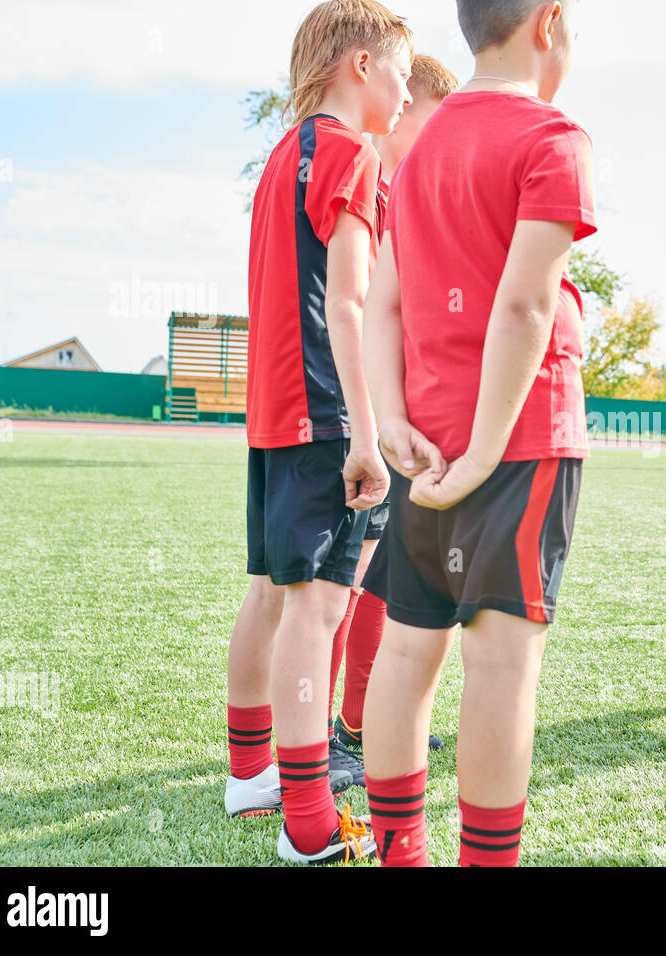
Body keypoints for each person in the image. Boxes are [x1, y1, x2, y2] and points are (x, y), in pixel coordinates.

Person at [360, 0, 594, 866]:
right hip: (518, 445)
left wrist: (393, 420)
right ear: (549, 22)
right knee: (499, 667)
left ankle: (399, 854)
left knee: (406, 651)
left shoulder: (420, 146)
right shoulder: (553, 137)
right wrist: (488, 452)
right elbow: (526, 305)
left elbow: (382, 303)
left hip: (425, 447)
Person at [223, 0, 411, 864]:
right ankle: (308, 822)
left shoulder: (282, 156)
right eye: (400, 70)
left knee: (270, 593)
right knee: (317, 606)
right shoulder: (352, 153)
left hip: (275, 412)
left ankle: (249, 774)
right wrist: (368, 434)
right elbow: (349, 302)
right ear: (361, 64)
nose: (405, 91)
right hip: (324, 410)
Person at [327, 54, 462, 783]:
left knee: (381, 578)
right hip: (361, 416)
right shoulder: (369, 184)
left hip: (398, 413)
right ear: (404, 112)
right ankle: (327, 737)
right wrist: (371, 417)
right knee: (345, 583)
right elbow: (356, 309)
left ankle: (357, 721)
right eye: (433, 123)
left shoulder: (405, 193)